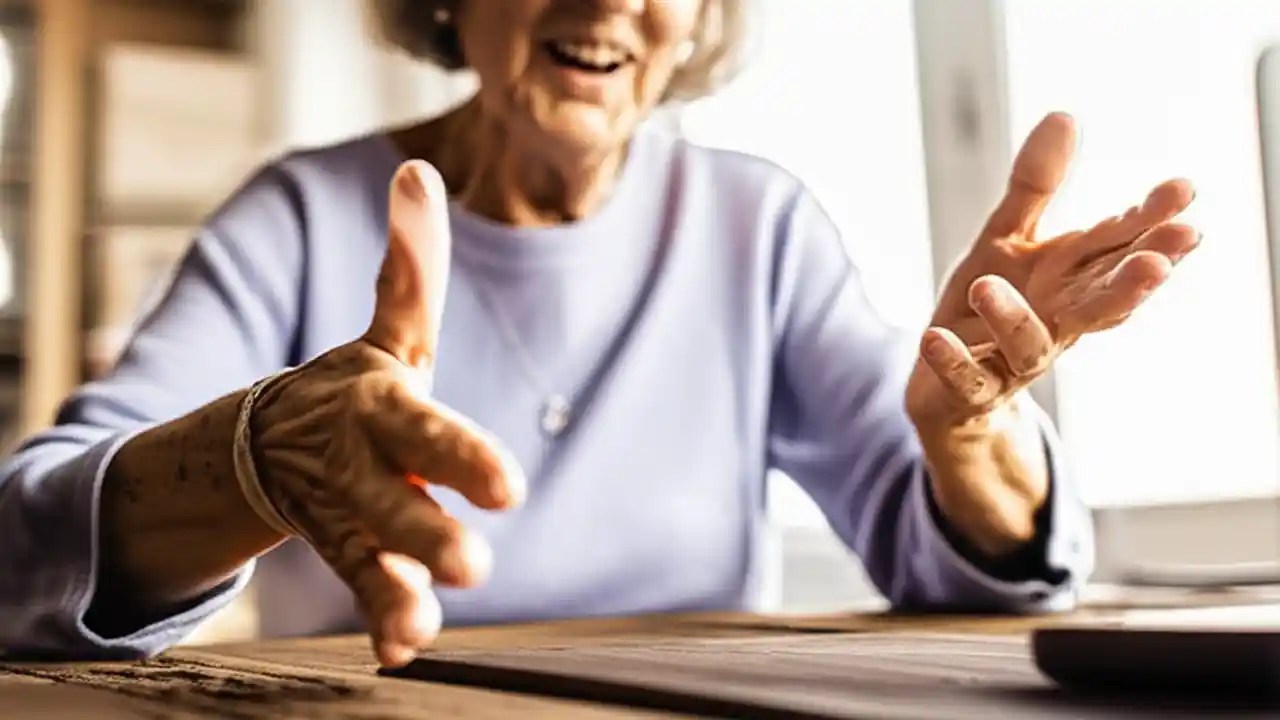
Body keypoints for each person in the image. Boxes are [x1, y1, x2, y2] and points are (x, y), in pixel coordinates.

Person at [0, 0, 1198, 668]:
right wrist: (259, 456)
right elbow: (21, 549)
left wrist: (969, 434)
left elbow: (963, 568)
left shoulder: (755, 225)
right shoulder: (301, 217)